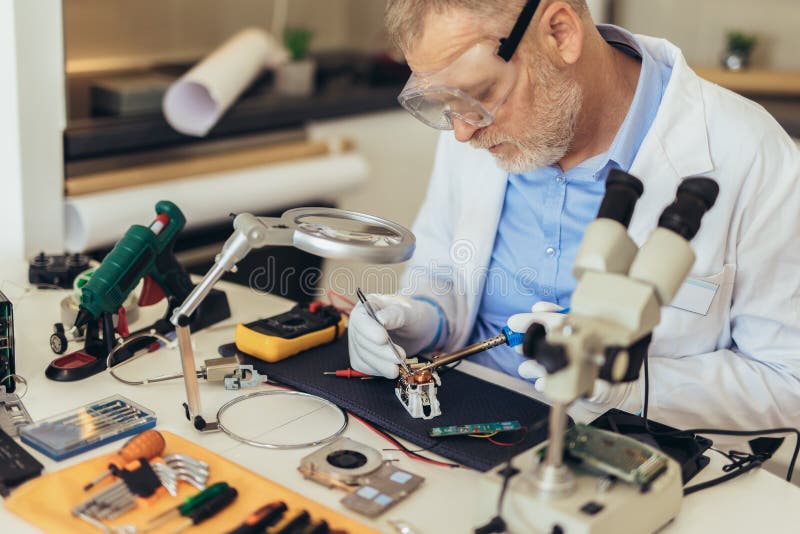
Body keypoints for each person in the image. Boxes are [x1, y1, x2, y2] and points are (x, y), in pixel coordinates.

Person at [348, 0, 800, 432]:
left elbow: (787, 379)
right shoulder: (476, 124)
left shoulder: (749, 153)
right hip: (467, 411)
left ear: (560, 33)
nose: (463, 133)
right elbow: (442, 265)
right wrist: (420, 317)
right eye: (446, 103)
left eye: (482, 92)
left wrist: (632, 390)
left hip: (635, 449)